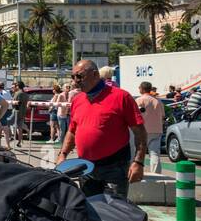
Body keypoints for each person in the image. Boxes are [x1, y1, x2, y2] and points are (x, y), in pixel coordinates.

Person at [58, 60, 146, 198]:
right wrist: (63, 154)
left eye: (79, 76)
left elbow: (139, 132)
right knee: (90, 211)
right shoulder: (77, 100)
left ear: (95, 74)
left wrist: (138, 162)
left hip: (114, 168)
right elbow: (72, 130)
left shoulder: (122, 97)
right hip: (85, 168)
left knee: (114, 213)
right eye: (73, 77)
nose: (75, 81)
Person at [135, 81, 166, 174]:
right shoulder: (158, 101)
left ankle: (139, 172)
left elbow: (134, 115)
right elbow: (163, 116)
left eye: (139, 87)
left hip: (142, 130)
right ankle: (156, 173)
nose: (138, 89)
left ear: (142, 89)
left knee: (139, 153)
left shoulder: (139, 100)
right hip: (157, 130)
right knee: (154, 153)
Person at [12, 81, 30, 145]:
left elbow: (14, 103)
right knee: (20, 128)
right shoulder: (26, 94)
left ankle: (16, 140)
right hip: (23, 112)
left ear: (18, 86)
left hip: (16, 111)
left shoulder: (17, 93)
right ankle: (19, 141)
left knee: (12, 126)